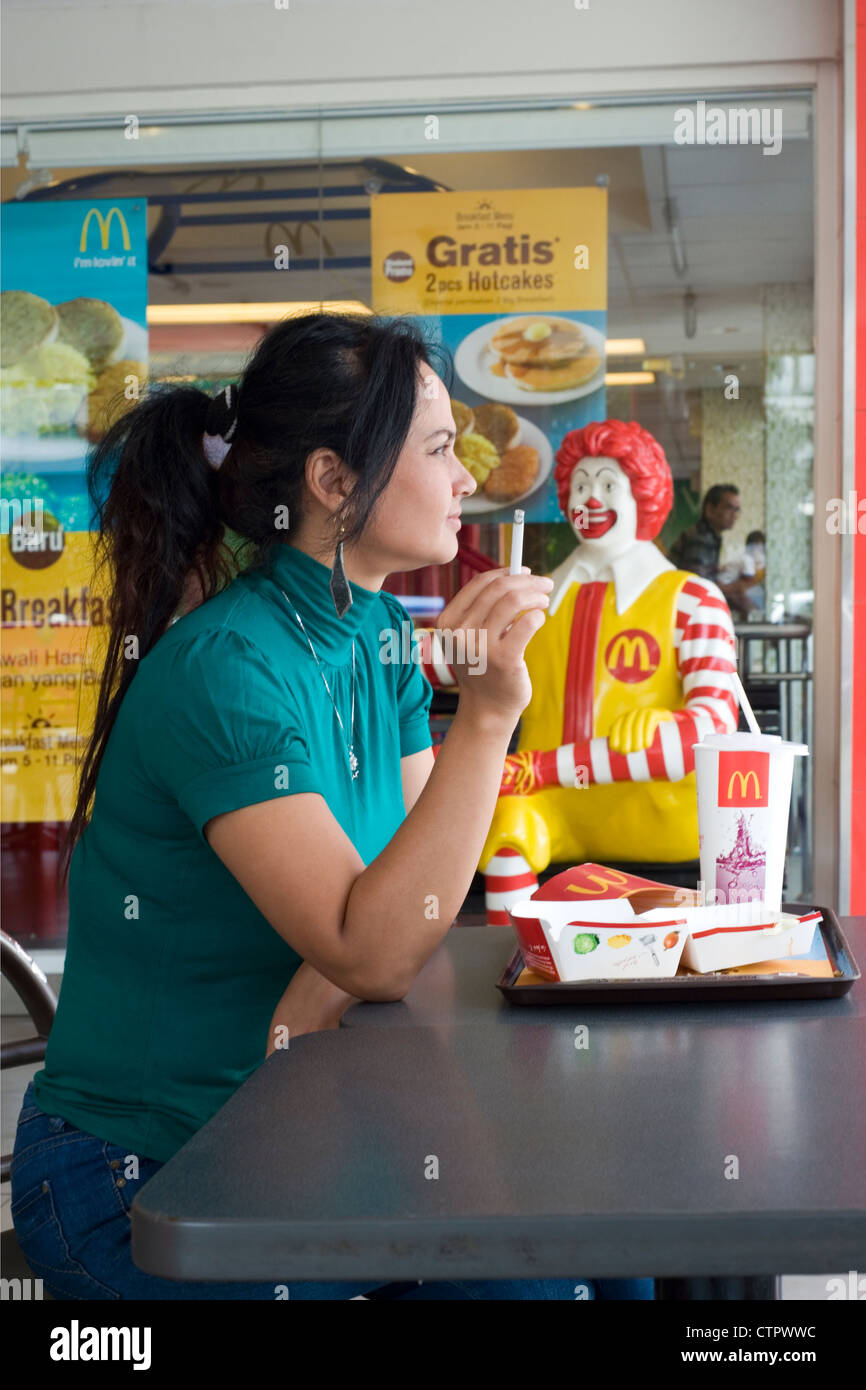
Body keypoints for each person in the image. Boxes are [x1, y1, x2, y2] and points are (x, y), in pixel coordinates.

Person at [10, 311, 653, 1301]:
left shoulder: (376, 631)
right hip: (146, 1179)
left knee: (594, 1266)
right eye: (439, 449)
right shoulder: (228, 670)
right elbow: (380, 944)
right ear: (333, 482)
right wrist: (488, 712)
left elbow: (410, 912)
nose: (464, 478)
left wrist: (333, 972)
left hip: (299, 1118)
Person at [667, 484, 754, 617]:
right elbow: (699, 586)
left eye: (737, 510)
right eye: (729, 508)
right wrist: (738, 586)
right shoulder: (700, 538)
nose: (735, 515)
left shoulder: (710, 536)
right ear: (710, 510)